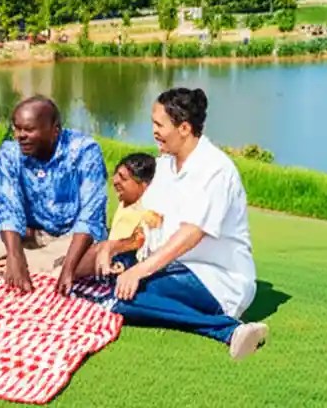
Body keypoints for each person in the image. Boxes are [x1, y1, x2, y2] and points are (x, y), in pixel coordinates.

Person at [110, 88, 268, 361]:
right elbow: (153, 224)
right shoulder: (164, 167)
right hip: (175, 269)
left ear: (184, 128)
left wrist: (138, 272)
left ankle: (228, 330)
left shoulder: (215, 169)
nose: (154, 131)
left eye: (159, 124)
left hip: (217, 278)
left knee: (123, 298)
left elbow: (191, 234)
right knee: (113, 281)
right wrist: (121, 252)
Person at [0, 95, 107, 295]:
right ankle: (26, 262)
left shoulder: (84, 151)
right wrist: (15, 256)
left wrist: (69, 270)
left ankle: (13, 262)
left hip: (70, 238)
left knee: (94, 244)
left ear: (55, 130)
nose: (20, 135)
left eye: (29, 130)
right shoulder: (10, 152)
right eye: (17, 128)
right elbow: (8, 207)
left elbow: (90, 216)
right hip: (29, 233)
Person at [74, 152, 161, 278]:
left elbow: (140, 239)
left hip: (128, 262)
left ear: (143, 186)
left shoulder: (148, 211)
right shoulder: (126, 199)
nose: (115, 180)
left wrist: (110, 247)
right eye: (116, 174)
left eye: (123, 178)